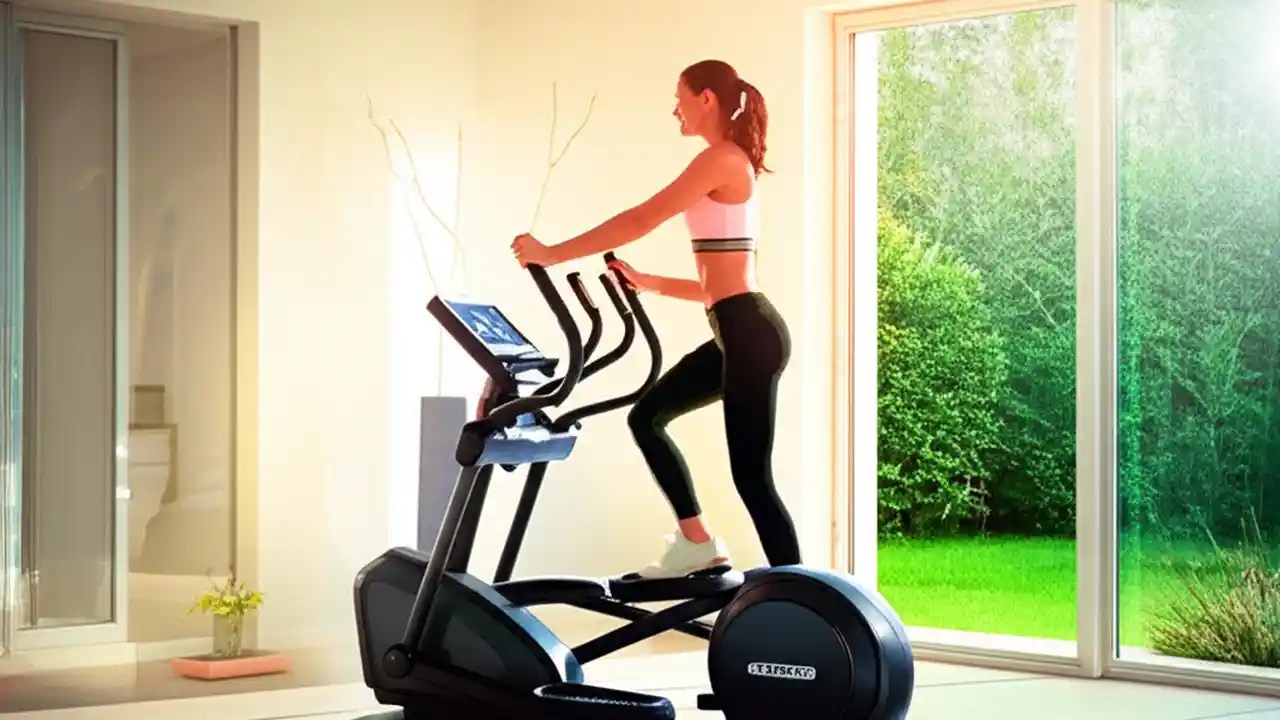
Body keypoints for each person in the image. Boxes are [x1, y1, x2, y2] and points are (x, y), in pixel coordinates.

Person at [510, 59, 800, 579]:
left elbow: (642, 218)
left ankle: (808, 602)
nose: (675, 109)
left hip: (748, 331)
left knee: (752, 478)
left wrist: (552, 253)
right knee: (646, 416)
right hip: (739, 326)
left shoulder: (722, 160)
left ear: (706, 98)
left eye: (680, 97)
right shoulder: (729, 163)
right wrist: (651, 283)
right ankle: (697, 542)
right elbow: (721, 288)